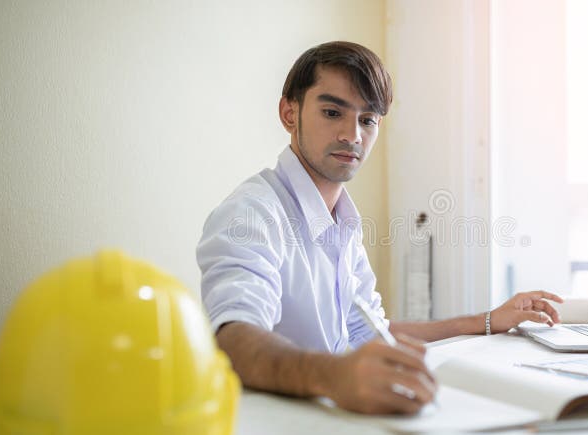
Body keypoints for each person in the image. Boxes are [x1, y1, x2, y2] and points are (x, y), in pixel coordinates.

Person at [196, 41, 563, 415]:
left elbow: (369, 334)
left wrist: (486, 321)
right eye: (331, 111)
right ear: (289, 113)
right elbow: (232, 339)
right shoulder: (252, 213)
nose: (352, 135)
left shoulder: (343, 221)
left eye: (367, 120)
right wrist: (334, 376)